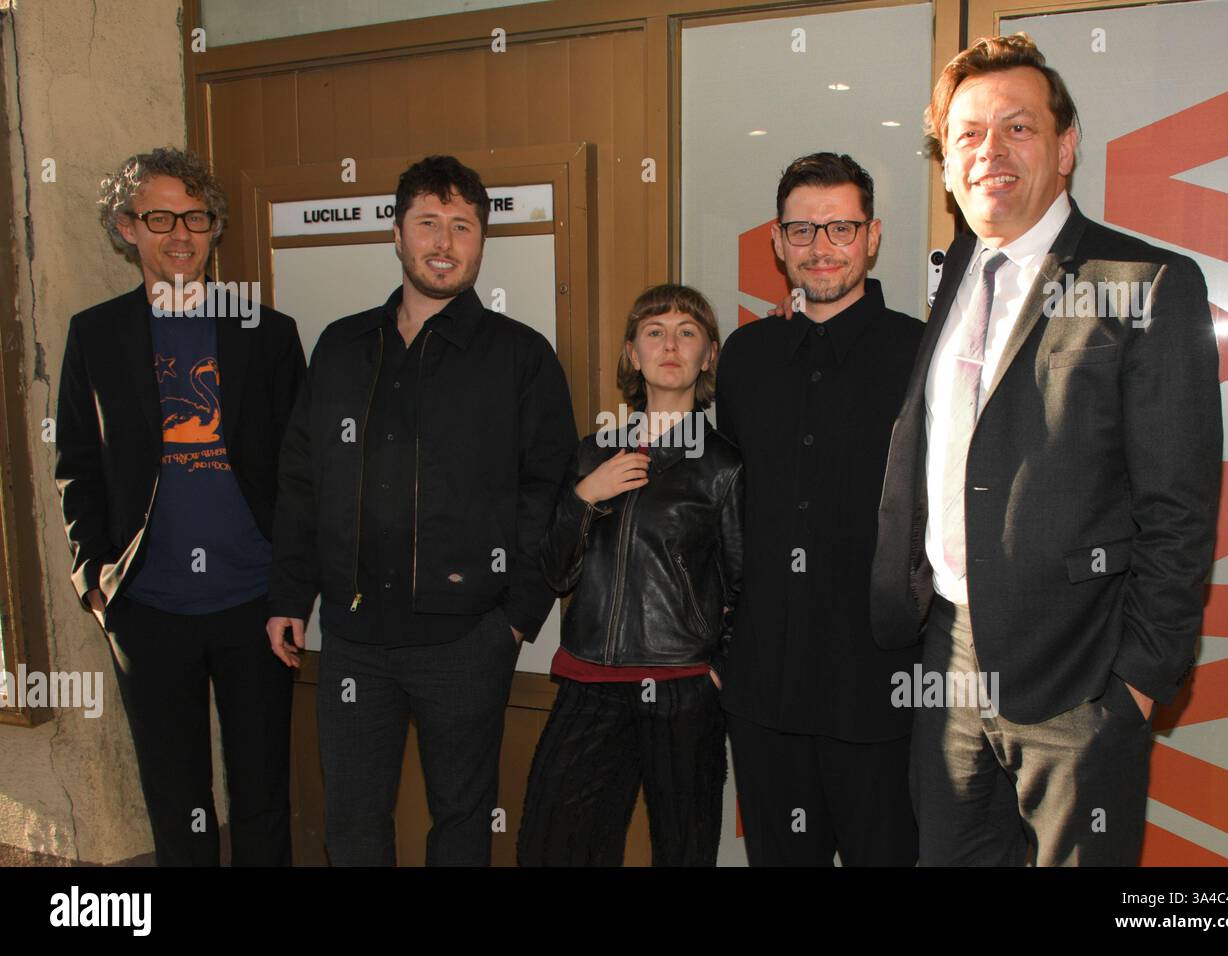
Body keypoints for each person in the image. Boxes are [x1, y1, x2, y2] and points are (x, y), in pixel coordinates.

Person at [871, 33, 1222, 865]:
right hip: (949, 657)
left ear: (1066, 149)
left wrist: (1135, 684)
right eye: (967, 135)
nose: (989, 151)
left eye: (1018, 128)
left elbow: (1180, 509)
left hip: (1084, 672)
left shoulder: (1147, 284)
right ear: (947, 165)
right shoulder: (957, 273)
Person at [267, 155, 577, 866]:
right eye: (428, 224)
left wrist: (518, 616)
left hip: (467, 641)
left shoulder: (520, 357)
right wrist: (289, 592)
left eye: (462, 226)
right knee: (351, 823)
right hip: (352, 639)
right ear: (398, 235)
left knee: (462, 822)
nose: (444, 242)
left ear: (481, 241)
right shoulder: (342, 347)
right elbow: (301, 480)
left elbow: (551, 494)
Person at [55, 147, 304, 865]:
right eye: (159, 216)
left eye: (196, 216)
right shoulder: (96, 336)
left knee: (261, 795)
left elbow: (302, 474)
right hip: (147, 605)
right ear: (127, 228)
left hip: (255, 604)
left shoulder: (267, 332)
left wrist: (292, 586)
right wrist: (97, 584)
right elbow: (75, 465)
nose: (180, 233)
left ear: (213, 228)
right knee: (177, 799)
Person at [715, 152, 923, 866]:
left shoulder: (923, 355)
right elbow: (727, 505)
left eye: (841, 227)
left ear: (872, 236)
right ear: (776, 243)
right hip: (765, 688)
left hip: (882, 686)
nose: (822, 247)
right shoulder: (745, 355)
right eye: (802, 230)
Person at [517, 284, 743, 866]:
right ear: (632, 354)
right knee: (554, 847)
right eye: (655, 333)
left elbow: (748, 584)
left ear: (708, 355)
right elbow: (555, 571)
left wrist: (718, 671)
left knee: (684, 849)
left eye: (687, 333)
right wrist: (584, 497)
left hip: (682, 688)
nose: (671, 345)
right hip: (591, 679)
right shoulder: (592, 453)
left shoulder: (724, 465)